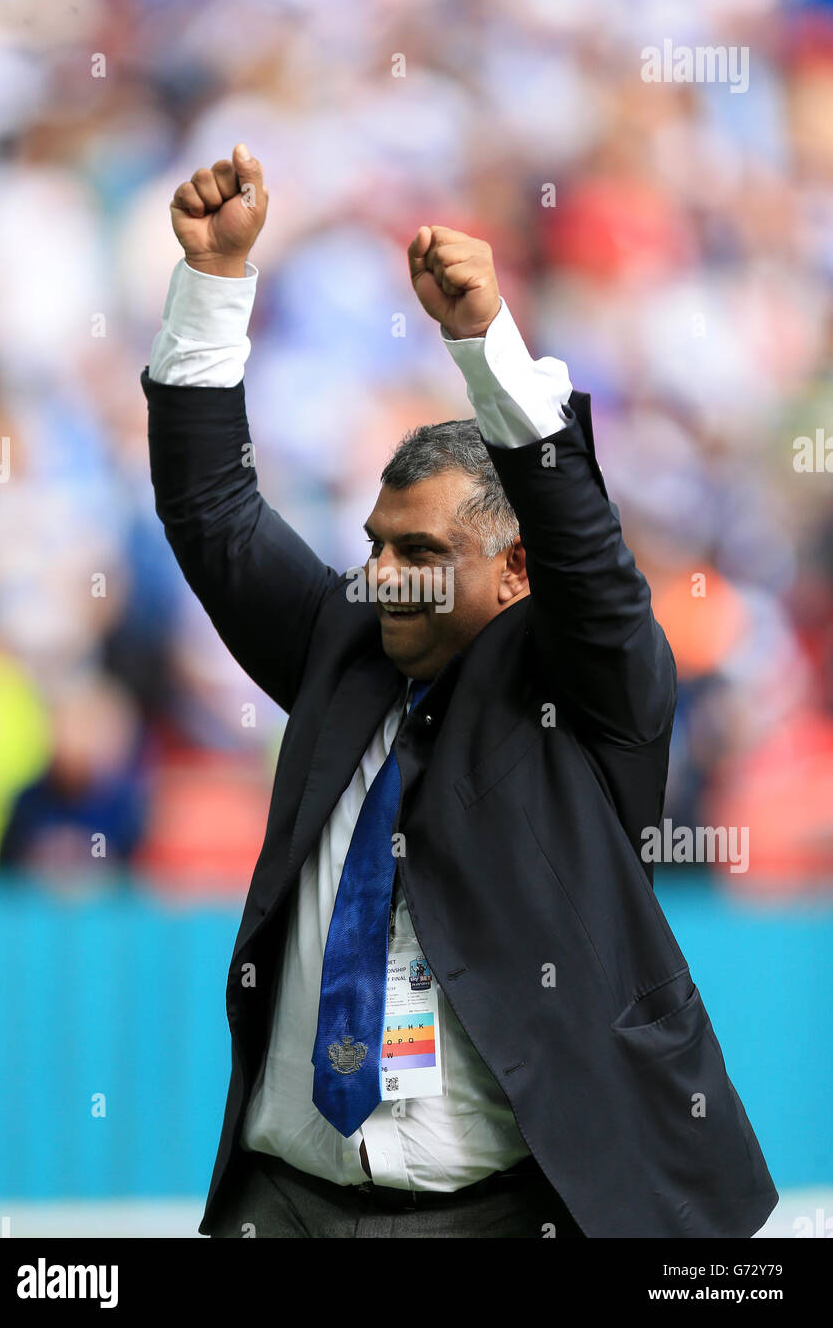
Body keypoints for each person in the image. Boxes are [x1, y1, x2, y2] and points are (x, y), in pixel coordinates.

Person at [142, 144, 778, 1238]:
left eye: (419, 551)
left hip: (502, 1214)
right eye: (374, 545)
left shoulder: (592, 693)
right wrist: (213, 281)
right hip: (284, 1202)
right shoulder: (343, 642)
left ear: (513, 572)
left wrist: (485, 346)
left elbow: (588, 554)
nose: (380, 574)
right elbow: (211, 508)